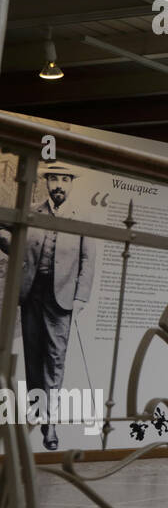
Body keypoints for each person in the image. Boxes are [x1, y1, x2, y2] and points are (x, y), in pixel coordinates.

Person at [0, 162, 96, 450]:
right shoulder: (32, 212)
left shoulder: (82, 218)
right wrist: (10, 248)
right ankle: (35, 414)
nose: (59, 185)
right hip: (32, 296)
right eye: (54, 179)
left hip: (62, 300)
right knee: (33, 358)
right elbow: (15, 241)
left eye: (64, 180)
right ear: (46, 182)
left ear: (71, 183)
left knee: (54, 362)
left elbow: (88, 261)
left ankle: (50, 424)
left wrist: (80, 299)